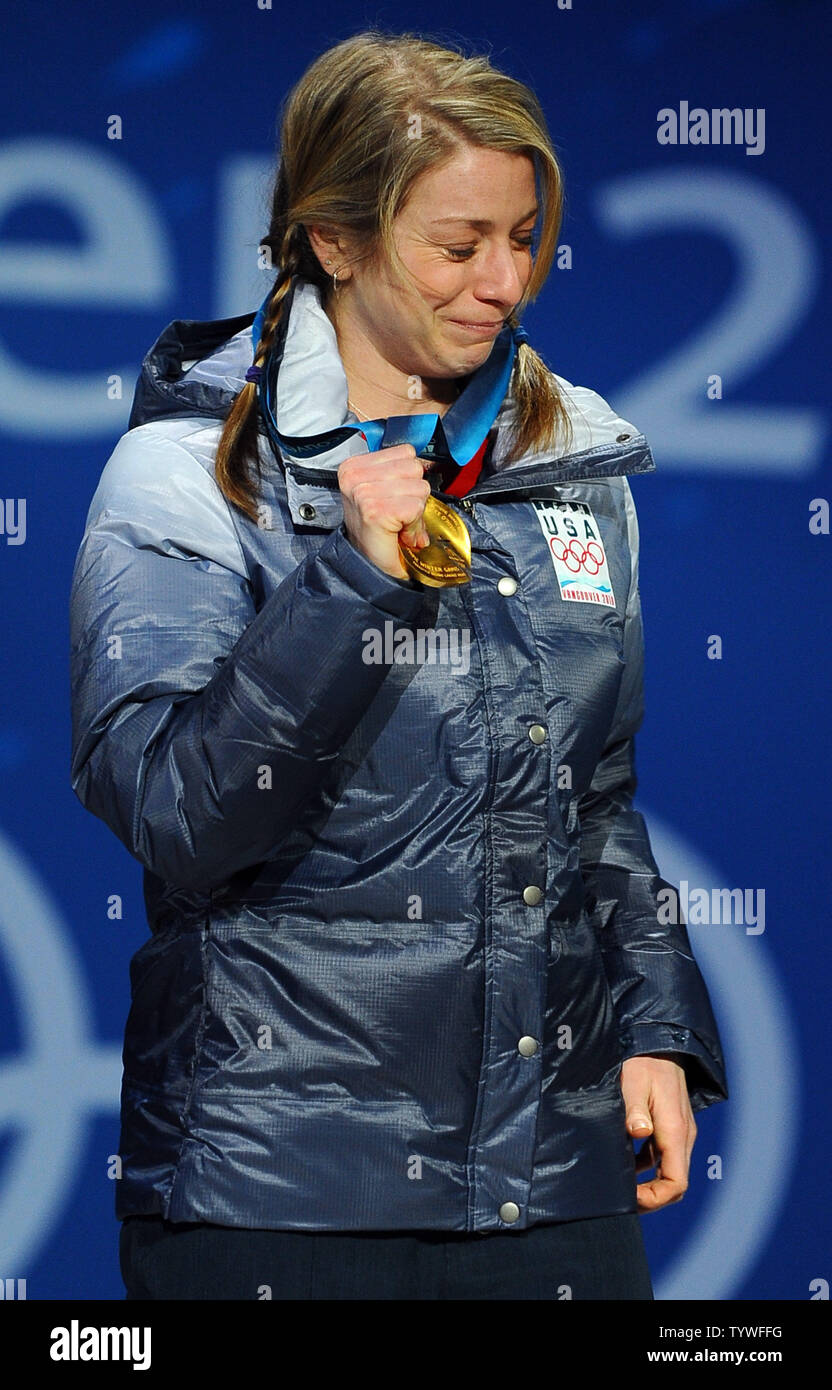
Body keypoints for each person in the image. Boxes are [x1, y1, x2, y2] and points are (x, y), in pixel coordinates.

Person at [69, 29, 728, 1301]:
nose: (504, 281)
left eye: (526, 236)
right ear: (336, 240)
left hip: (552, 1172)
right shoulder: (189, 474)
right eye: (457, 243)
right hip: (275, 1190)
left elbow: (593, 798)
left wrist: (652, 1029)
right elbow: (176, 818)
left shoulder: (573, 467)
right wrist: (353, 579)